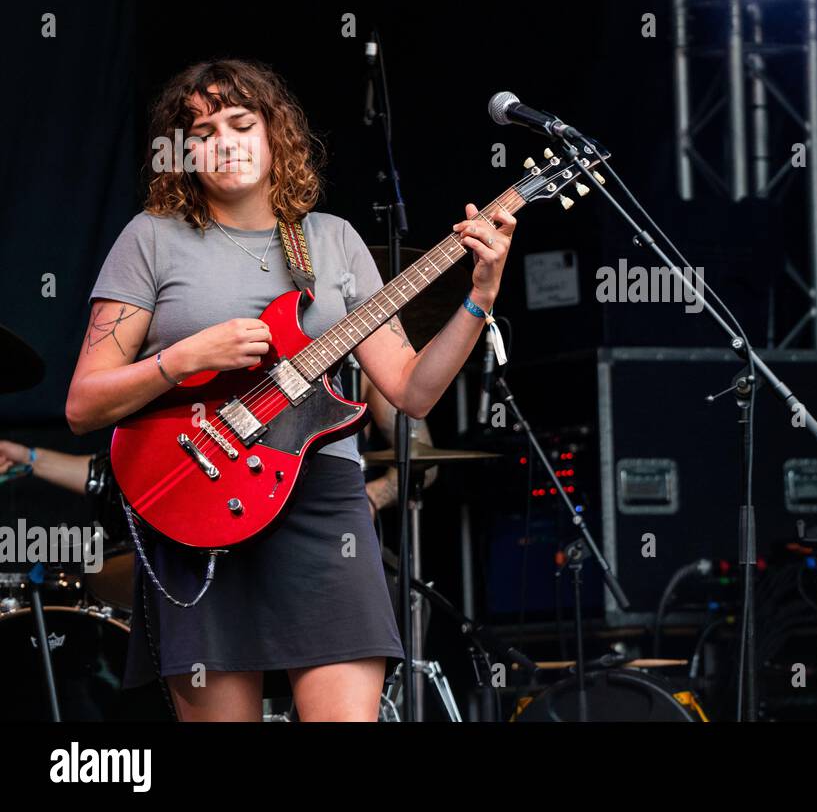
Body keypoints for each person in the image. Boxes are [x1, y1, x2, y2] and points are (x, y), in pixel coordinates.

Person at [65, 58, 515, 721]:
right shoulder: (151, 240)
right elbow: (83, 404)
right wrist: (186, 356)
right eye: (203, 128)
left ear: (276, 134)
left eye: (240, 122)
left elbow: (412, 393)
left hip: (322, 507)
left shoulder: (332, 242)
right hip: (199, 502)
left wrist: (480, 295)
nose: (223, 138)